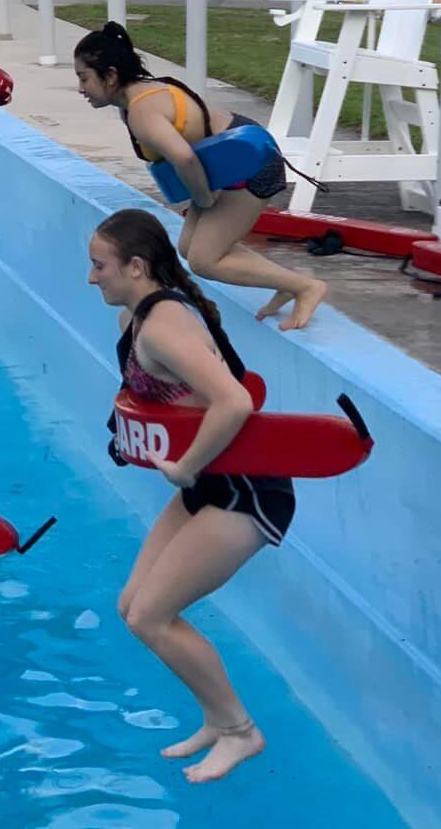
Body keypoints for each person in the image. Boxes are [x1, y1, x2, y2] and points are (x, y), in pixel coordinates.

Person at [88, 208, 293, 783]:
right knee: (132, 607)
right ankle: (214, 715)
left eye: (98, 265)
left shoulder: (162, 324)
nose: (90, 276)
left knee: (153, 617)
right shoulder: (136, 315)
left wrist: (186, 466)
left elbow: (235, 401)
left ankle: (239, 730)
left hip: (244, 489)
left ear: (135, 266)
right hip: (209, 483)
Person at [74, 21, 325, 330]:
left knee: (204, 260)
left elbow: (185, 157)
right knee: (188, 247)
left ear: (110, 76)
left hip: (251, 163)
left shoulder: (141, 111)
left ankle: (306, 287)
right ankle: (284, 283)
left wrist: (204, 199)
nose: (80, 88)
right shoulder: (137, 95)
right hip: (231, 160)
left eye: (84, 78)